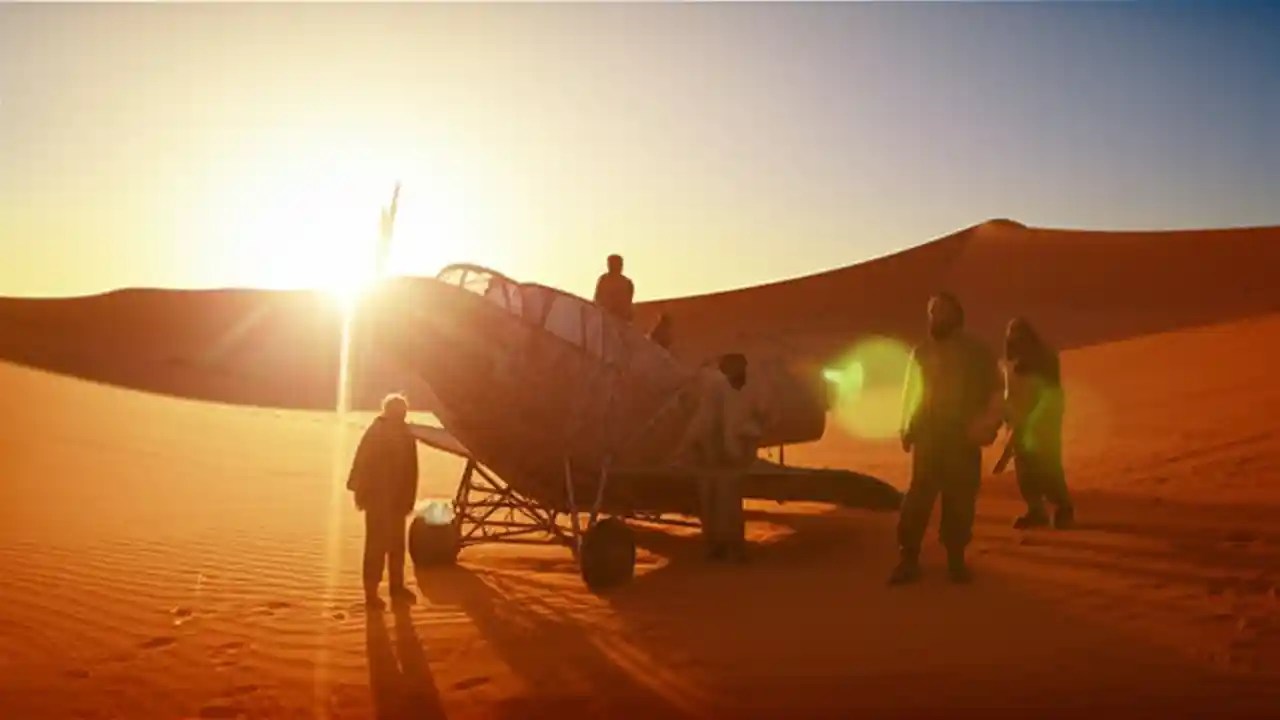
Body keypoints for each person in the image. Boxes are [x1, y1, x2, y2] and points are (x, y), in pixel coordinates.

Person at [893, 293, 1003, 585]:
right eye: (931, 312)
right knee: (917, 499)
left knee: (960, 499)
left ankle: (956, 560)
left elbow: (995, 392)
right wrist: (905, 428)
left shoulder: (977, 352)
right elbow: (910, 393)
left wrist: (987, 426)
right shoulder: (921, 352)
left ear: (956, 315)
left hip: (962, 438)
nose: (935, 317)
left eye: (941, 311)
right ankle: (908, 558)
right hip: (927, 437)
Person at [673, 353, 762, 562]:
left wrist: (745, 444)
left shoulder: (745, 393)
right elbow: (702, 423)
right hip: (713, 456)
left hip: (730, 457)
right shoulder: (717, 391)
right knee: (715, 503)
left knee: (726, 504)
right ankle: (718, 547)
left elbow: (757, 420)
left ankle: (730, 547)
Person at [347, 393, 420, 609]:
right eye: (399, 411)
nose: (402, 415)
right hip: (377, 500)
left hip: (397, 501)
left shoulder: (406, 434)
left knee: (397, 546)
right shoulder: (376, 432)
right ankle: (371, 594)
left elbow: (411, 470)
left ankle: (396, 588)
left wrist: (409, 500)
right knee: (376, 547)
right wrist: (360, 493)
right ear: (389, 411)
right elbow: (361, 463)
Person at [1003, 317, 1074, 529]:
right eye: (1011, 334)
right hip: (1019, 425)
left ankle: (1064, 508)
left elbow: (1051, 393)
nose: (1015, 338)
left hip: (1044, 424)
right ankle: (1036, 510)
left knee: (1048, 468)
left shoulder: (1046, 359)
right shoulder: (1010, 364)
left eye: (1019, 333)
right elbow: (1010, 395)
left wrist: (1033, 421)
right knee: (1025, 471)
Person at [593, 254, 635, 322]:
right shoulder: (603, 280)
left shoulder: (627, 283)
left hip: (621, 320)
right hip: (605, 318)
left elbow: (629, 303)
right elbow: (597, 299)